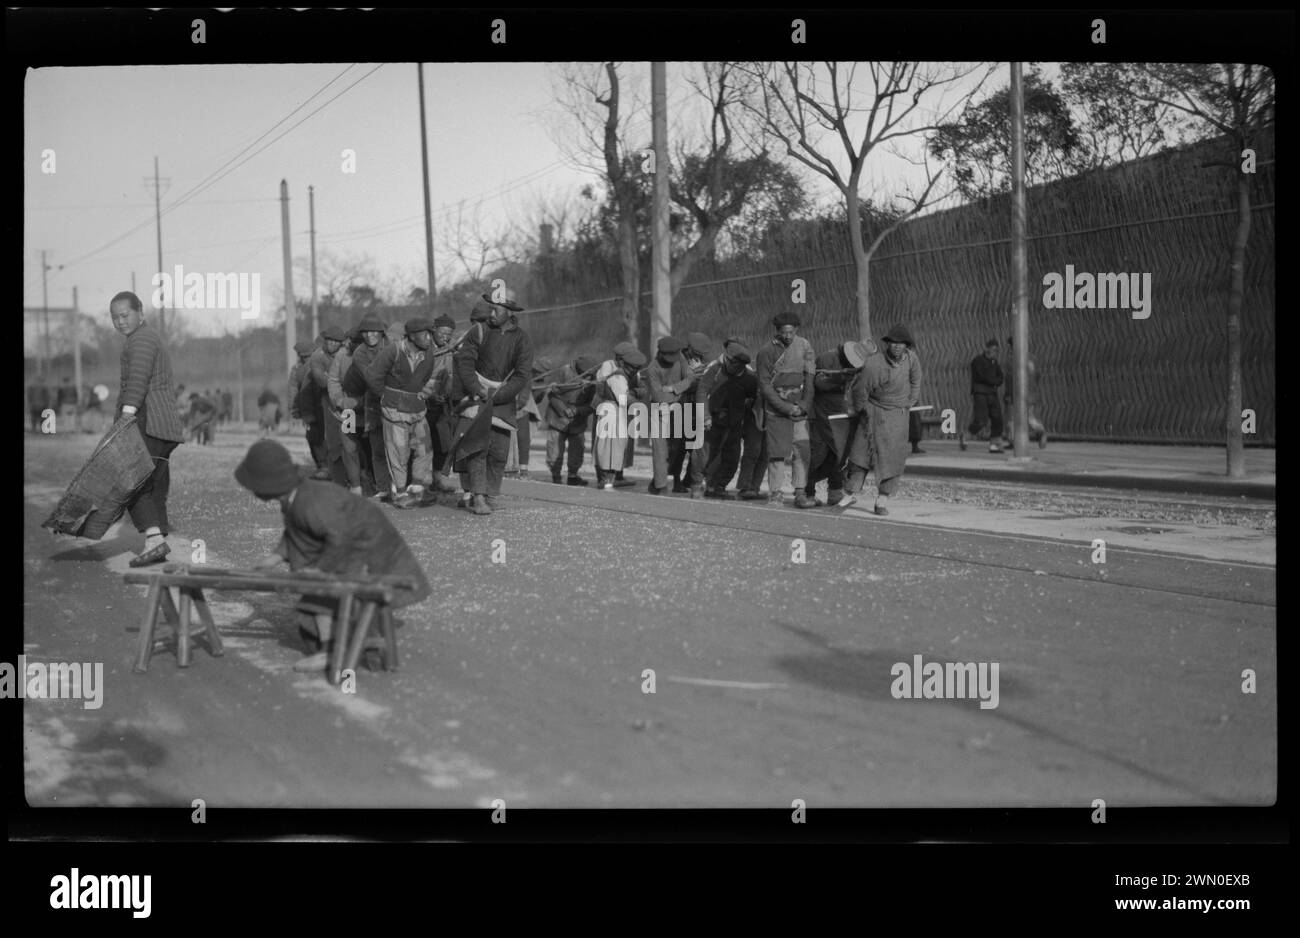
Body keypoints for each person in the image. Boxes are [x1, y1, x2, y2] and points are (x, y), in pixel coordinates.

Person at [235, 439, 431, 672]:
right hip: (348, 544)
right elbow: (296, 535)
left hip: (366, 547)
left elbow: (340, 537)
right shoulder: (294, 498)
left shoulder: (310, 502)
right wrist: (273, 559)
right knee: (317, 593)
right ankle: (331, 647)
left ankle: (332, 651)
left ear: (267, 484)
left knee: (322, 594)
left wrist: (319, 570)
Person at [109, 290, 187, 567]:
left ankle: (154, 540)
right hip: (164, 427)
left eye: (124, 315)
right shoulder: (147, 336)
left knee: (130, 481)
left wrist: (126, 416)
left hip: (148, 421)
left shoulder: (140, 340)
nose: (120, 322)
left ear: (139, 311)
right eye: (115, 317)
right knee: (155, 484)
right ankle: (158, 539)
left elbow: (138, 380)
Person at [448, 291, 534, 515]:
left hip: (503, 398)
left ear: (509, 312)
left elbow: (522, 374)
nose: (491, 313)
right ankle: (477, 497)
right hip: (476, 395)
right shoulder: (478, 331)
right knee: (477, 448)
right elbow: (465, 363)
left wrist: (501, 394)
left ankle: (490, 494)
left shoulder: (522, 339)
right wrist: (476, 389)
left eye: (496, 309)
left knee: (498, 452)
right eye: (490, 308)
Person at [840, 324, 922, 515]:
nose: (897, 347)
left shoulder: (912, 359)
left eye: (901, 344)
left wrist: (910, 401)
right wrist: (860, 410)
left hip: (897, 415)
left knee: (893, 457)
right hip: (873, 412)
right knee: (861, 455)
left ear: (906, 346)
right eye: (893, 343)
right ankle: (849, 494)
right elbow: (860, 390)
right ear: (888, 344)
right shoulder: (874, 364)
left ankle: (882, 500)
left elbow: (916, 380)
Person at [364, 317, 443, 509]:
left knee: (425, 450)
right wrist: (385, 397)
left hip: (417, 410)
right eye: (425, 334)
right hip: (394, 411)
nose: (429, 338)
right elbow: (373, 376)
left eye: (430, 334)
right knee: (398, 453)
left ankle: (417, 491)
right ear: (412, 336)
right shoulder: (393, 351)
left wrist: (423, 395)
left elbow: (427, 379)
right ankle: (399, 493)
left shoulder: (429, 355)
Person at [755, 311, 816, 507]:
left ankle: (800, 492)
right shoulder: (766, 351)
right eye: (784, 332)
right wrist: (785, 407)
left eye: (791, 332)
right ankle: (775, 493)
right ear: (777, 331)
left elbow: (810, 377)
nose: (788, 336)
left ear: (797, 330)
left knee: (802, 449)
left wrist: (804, 405)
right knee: (777, 453)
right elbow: (764, 386)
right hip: (776, 408)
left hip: (800, 407)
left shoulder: (805, 346)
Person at [804, 340, 871, 508]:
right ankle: (807, 491)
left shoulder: (861, 367)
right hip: (820, 411)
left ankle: (835, 492)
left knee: (840, 454)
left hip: (841, 411)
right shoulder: (827, 358)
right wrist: (840, 378)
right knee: (817, 453)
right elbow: (818, 383)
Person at [697, 340, 755, 498]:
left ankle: (718, 486)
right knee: (707, 455)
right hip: (712, 421)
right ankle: (699, 484)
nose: (736, 368)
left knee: (732, 458)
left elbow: (755, 396)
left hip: (734, 423)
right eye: (732, 362)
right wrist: (706, 416)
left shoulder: (749, 377)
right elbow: (702, 392)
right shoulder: (714, 370)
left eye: (739, 365)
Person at [644, 336, 696, 495]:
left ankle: (667, 481)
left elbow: (690, 377)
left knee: (677, 449)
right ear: (660, 353)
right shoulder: (652, 369)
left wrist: (673, 388)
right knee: (660, 451)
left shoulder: (679, 357)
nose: (672, 360)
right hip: (659, 411)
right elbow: (658, 396)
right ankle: (660, 485)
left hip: (679, 410)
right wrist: (679, 394)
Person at [347, 313, 391, 500]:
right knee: (378, 449)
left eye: (374, 331)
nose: (369, 335)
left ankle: (402, 486)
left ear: (381, 332)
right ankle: (383, 488)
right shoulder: (359, 354)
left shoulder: (393, 346)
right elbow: (372, 378)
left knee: (400, 447)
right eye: (365, 331)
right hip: (374, 402)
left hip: (400, 401)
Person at [592, 348, 648, 490]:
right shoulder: (618, 377)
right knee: (610, 446)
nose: (635, 371)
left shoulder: (619, 374)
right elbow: (623, 398)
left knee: (614, 446)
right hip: (612, 412)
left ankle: (608, 478)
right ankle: (606, 479)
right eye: (634, 368)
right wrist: (641, 405)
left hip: (615, 412)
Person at [543, 355, 599, 485]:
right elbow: (552, 394)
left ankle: (573, 475)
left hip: (578, 420)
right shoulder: (564, 371)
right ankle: (555, 474)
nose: (588, 377)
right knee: (554, 449)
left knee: (577, 449)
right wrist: (563, 409)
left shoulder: (593, 380)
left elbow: (592, 403)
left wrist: (578, 411)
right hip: (558, 418)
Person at [327, 328, 367, 494]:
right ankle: (356, 485)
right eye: (352, 341)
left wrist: (364, 401)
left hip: (369, 409)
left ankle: (372, 480)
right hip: (348, 411)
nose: (354, 344)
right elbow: (333, 379)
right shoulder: (342, 356)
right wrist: (339, 400)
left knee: (370, 447)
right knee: (349, 447)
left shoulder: (372, 355)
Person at [290, 339, 328, 473]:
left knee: (315, 438)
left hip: (313, 409)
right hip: (325, 407)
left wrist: (296, 410)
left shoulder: (299, 369)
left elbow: (296, 392)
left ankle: (323, 466)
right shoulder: (321, 362)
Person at [1003, 336, 1048, 448]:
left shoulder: (1012, 360)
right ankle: (1041, 431)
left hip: (1016, 395)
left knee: (1012, 419)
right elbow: (1038, 376)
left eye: (1010, 346)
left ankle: (1013, 442)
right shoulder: (1033, 358)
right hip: (1031, 395)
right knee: (1030, 418)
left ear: (1012, 346)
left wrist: (1008, 395)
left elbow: (1010, 379)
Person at [961, 338, 1005, 453]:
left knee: (997, 419)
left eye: (997, 350)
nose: (996, 353)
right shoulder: (977, 361)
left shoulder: (995, 363)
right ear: (987, 349)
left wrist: (995, 381)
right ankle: (966, 436)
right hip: (980, 393)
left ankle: (994, 445)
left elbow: (1001, 377)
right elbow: (982, 377)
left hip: (992, 394)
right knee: (981, 420)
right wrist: (994, 381)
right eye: (994, 350)